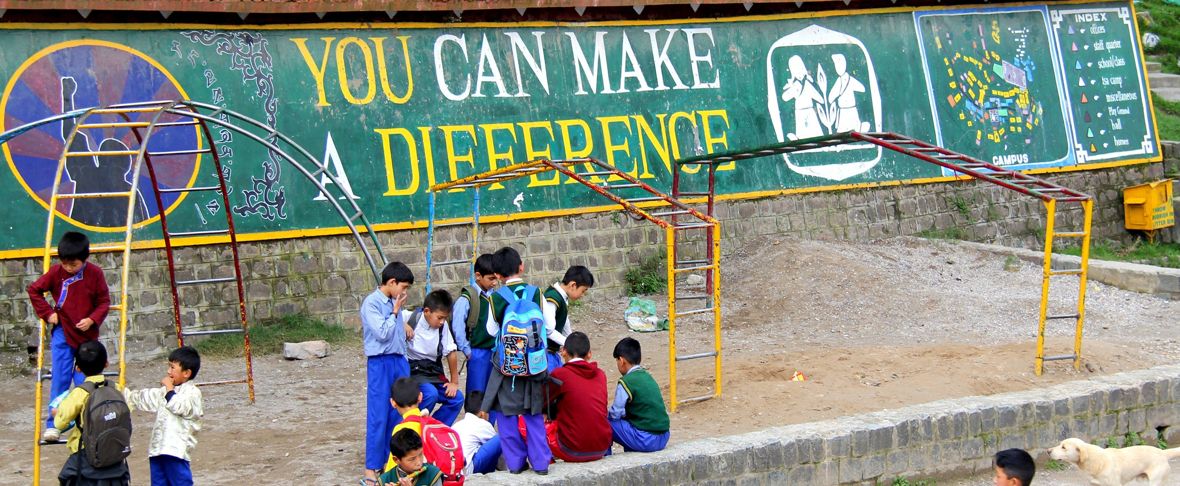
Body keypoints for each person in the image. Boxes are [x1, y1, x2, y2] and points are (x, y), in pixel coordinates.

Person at [28, 231, 111, 442]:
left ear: (85, 259)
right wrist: (48, 314)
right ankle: (54, 424)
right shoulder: (56, 272)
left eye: (73, 264)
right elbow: (34, 290)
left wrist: (92, 319)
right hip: (63, 333)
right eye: (64, 263)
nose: (68, 268)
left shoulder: (95, 274)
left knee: (87, 381)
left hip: (87, 336)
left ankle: (88, 423)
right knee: (60, 377)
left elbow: (104, 302)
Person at [478, 246, 551, 475]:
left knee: (507, 416)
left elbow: (491, 331)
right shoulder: (537, 293)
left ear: (497, 275)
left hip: (508, 367)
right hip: (535, 364)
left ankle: (517, 464)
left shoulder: (496, 298)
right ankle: (541, 464)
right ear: (521, 266)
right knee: (534, 415)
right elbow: (548, 326)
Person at [362, 262, 415, 484]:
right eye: (403, 287)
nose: (404, 292)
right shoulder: (372, 303)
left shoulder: (396, 302)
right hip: (380, 363)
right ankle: (371, 468)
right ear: (392, 282)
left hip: (398, 360)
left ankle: (391, 463)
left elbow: (396, 334)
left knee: (399, 413)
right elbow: (382, 333)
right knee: (378, 414)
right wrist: (395, 312)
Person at [52, 340, 130, 485]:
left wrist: (57, 413)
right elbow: (127, 410)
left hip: (86, 458)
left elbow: (60, 423)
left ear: (78, 368)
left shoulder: (79, 393)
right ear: (106, 363)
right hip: (115, 455)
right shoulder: (117, 388)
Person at [123, 346, 204, 486]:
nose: (168, 371)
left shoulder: (193, 393)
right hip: (158, 450)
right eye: (169, 366)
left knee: (181, 483)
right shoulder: (165, 391)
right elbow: (146, 398)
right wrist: (124, 393)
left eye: (172, 367)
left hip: (176, 452)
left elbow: (179, 407)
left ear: (186, 373)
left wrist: (169, 390)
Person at [546, 332, 611, 463]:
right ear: (589, 354)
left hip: (572, 449)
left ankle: (548, 463)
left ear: (564, 352)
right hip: (602, 448)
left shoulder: (560, 374)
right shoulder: (600, 375)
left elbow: (543, 401)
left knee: (526, 422)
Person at [404, 290, 464, 426]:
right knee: (430, 394)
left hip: (434, 371)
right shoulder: (410, 317)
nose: (442, 322)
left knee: (457, 399)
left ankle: (435, 428)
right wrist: (402, 324)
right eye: (439, 317)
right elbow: (391, 316)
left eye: (445, 318)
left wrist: (454, 382)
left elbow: (451, 351)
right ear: (427, 311)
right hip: (414, 371)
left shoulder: (443, 327)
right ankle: (413, 427)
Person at [608, 337, 670, 453]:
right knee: (628, 422)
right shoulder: (648, 377)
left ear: (621, 360)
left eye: (617, 361)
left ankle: (606, 458)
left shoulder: (626, 382)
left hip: (646, 440)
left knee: (604, 423)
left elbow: (616, 413)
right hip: (663, 437)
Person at [451, 254, 498, 394]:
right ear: (478, 276)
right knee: (476, 392)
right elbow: (458, 327)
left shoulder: (495, 296)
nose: (495, 283)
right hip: (477, 352)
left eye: (496, 278)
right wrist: (467, 350)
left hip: (495, 351)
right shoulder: (467, 299)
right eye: (491, 278)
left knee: (493, 392)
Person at [542, 266, 594, 372]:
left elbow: (565, 323)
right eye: (583, 291)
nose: (583, 295)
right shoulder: (552, 298)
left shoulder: (562, 297)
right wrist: (569, 343)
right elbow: (548, 330)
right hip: (546, 353)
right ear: (573, 285)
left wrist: (573, 340)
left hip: (553, 352)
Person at [450, 391, 501, 475]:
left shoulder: (456, 425)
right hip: (466, 469)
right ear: (482, 413)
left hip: (453, 468)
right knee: (501, 438)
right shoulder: (483, 424)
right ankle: (507, 468)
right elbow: (496, 447)